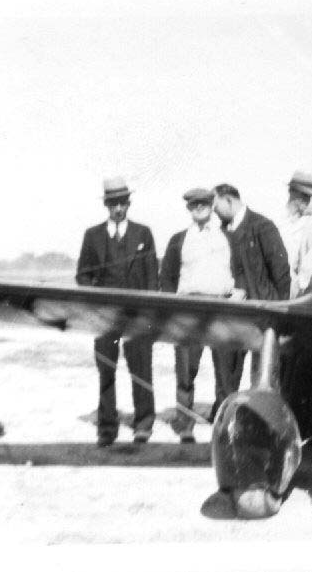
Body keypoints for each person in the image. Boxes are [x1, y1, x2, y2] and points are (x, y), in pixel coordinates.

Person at [76, 177, 159, 447]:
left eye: (122, 203)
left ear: (129, 204)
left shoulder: (143, 234)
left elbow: (151, 278)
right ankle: (107, 427)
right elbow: (82, 276)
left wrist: (149, 314)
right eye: (113, 203)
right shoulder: (93, 236)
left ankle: (144, 425)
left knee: (141, 369)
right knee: (106, 370)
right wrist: (97, 301)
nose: (118, 208)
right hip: (105, 317)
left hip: (137, 316)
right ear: (106, 205)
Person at [159, 188, 246, 443]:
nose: (199, 208)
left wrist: (239, 290)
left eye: (204, 204)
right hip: (188, 307)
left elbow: (240, 269)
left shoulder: (228, 238)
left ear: (211, 206)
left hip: (220, 307)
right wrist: (171, 305)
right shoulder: (178, 240)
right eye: (194, 205)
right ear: (189, 209)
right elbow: (167, 276)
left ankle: (227, 425)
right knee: (186, 369)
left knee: (225, 372)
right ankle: (184, 424)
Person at [212, 183, 290, 415]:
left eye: (216, 205)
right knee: (226, 379)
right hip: (231, 317)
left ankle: (261, 421)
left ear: (229, 201)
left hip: (262, 318)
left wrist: (280, 312)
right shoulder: (220, 233)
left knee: (263, 379)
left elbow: (281, 271)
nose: (214, 211)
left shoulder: (262, 226)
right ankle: (228, 419)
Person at [279, 170, 312, 298]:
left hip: (296, 290)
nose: (304, 200)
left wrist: (299, 289)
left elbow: (309, 265)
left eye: (307, 196)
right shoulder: (283, 221)